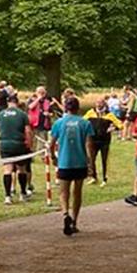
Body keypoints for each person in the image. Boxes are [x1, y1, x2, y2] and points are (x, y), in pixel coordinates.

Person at [49, 96, 94, 236]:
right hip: (79, 162)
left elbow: (51, 143)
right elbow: (88, 144)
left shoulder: (59, 123)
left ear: (66, 107)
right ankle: (74, 220)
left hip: (64, 161)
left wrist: (53, 157)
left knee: (63, 191)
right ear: (78, 107)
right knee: (77, 192)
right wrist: (90, 162)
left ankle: (65, 213)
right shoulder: (85, 123)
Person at [0, 94, 32, 204]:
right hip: (19, 144)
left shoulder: (1, 114)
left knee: (7, 170)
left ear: (8, 102)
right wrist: (29, 144)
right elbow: (28, 131)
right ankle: (23, 193)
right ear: (17, 102)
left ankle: (7, 196)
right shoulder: (22, 114)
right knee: (21, 169)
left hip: (5, 144)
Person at [83, 98, 122, 186]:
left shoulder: (109, 115)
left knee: (104, 159)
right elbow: (83, 121)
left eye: (100, 103)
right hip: (92, 139)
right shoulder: (91, 113)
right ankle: (93, 177)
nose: (98, 105)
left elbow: (120, 124)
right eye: (97, 103)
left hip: (104, 140)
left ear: (104, 104)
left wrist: (113, 128)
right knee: (91, 158)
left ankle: (105, 178)